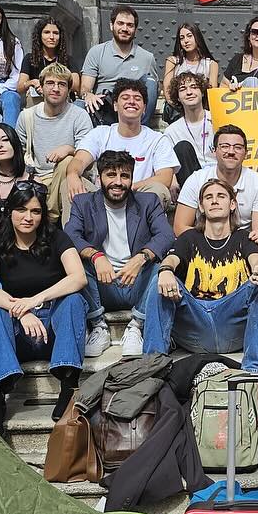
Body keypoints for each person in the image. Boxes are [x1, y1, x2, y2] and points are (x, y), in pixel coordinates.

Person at [0, 181, 89, 434]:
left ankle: (69, 383)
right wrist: (23, 311)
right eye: (21, 210)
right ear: (9, 211)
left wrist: (35, 300)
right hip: (16, 333)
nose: (28, 217)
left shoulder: (56, 236)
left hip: (52, 331)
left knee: (72, 300)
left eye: (35, 211)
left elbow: (78, 277)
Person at [142, 178, 258, 374]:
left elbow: (256, 258)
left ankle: (251, 371)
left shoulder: (244, 238)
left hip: (232, 327)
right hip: (194, 326)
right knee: (160, 279)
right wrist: (165, 271)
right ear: (201, 206)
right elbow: (172, 259)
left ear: (232, 204)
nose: (214, 201)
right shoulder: (188, 238)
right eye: (209, 197)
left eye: (221, 196)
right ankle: (152, 369)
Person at [67, 150, 175, 360]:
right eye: (111, 175)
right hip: (101, 284)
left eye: (124, 176)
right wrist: (96, 256)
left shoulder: (147, 202)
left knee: (160, 269)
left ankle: (136, 325)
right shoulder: (83, 203)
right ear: (99, 178)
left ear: (132, 179)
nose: (118, 182)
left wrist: (141, 257)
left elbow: (166, 235)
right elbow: (70, 236)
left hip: (138, 283)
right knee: (76, 266)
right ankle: (99, 326)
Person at [17, 63, 96, 223]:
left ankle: (50, 216)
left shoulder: (79, 116)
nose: (56, 89)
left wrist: (69, 149)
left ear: (68, 89)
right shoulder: (27, 116)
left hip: (72, 176)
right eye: (50, 83)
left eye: (62, 84)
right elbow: (18, 154)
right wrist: (30, 176)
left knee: (67, 161)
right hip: (39, 177)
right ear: (41, 86)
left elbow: (88, 154)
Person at [85, 79, 178, 210]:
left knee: (158, 189)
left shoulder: (157, 139)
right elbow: (79, 160)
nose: (132, 101)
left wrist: (128, 187)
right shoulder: (100, 133)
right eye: (125, 97)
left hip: (139, 198)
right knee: (69, 179)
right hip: (102, 198)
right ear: (115, 105)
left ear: (144, 108)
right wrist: (72, 175)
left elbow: (165, 177)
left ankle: (142, 230)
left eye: (137, 98)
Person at [174, 125, 258, 239]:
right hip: (203, 241)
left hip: (242, 243)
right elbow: (180, 227)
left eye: (238, 147)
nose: (231, 151)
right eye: (225, 146)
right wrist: (215, 243)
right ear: (214, 151)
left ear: (246, 153)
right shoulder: (196, 179)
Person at [80, 4, 159, 122]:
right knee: (76, 106)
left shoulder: (147, 57)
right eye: (120, 23)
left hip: (131, 108)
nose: (125, 29)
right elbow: (85, 87)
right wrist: (89, 95)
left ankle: (141, 130)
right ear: (112, 26)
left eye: (130, 25)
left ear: (135, 30)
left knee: (151, 82)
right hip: (104, 107)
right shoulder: (96, 52)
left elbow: (152, 91)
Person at [163, 70, 218, 185]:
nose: (189, 92)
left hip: (219, 176)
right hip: (190, 181)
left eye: (194, 87)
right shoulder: (171, 131)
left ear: (202, 92)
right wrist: (172, 179)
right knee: (183, 147)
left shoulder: (218, 120)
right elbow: (167, 163)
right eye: (183, 89)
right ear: (177, 97)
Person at [160, 21, 219, 123]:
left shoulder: (211, 64)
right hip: (177, 108)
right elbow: (168, 92)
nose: (186, 41)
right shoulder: (173, 62)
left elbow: (212, 92)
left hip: (201, 108)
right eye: (182, 38)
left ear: (197, 37)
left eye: (189, 36)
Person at [22, 15, 71, 98]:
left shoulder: (67, 59)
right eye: (47, 32)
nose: (51, 37)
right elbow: (20, 86)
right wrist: (33, 82)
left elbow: (76, 85)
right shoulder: (30, 58)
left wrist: (51, 85)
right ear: (39, 35)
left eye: (55, 33)